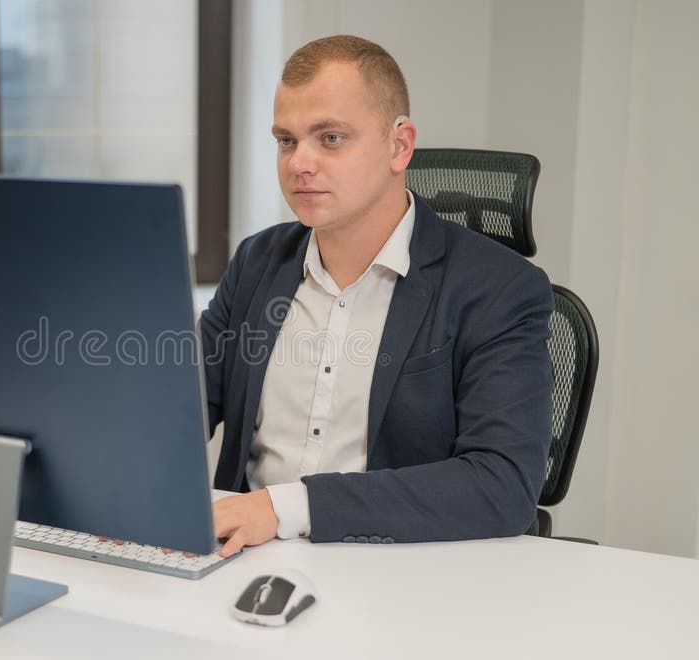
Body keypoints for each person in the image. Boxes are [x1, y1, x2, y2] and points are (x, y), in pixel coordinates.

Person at [203, 35, 553, 558]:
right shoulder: (258, 263)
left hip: (398, 577)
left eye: (331, 138)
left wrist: (284, 508)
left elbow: (502, 483)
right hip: (239, 560)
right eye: (286, 140)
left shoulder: (499, 288)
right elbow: (179, 407)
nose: (300, 162)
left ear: (400, 145)